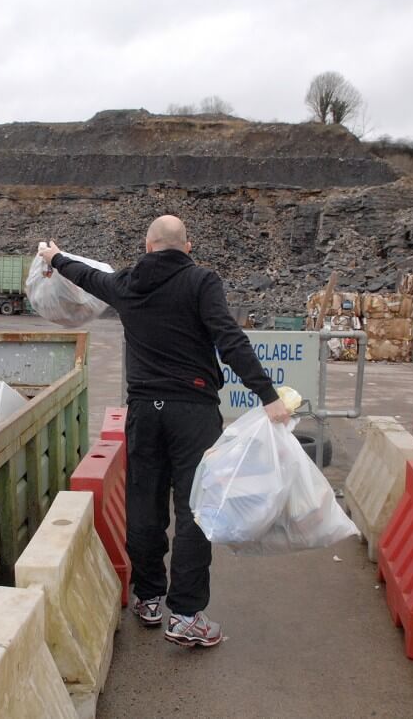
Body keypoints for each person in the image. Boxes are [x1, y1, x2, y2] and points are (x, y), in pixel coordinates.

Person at [37, 215, 291, 648]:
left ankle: (149, 598)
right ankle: (187, 614)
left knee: (144, 503)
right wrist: (267, 397)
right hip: (193, 412)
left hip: (144, 411)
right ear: (187, 246)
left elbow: (86, 276)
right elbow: (229, 339)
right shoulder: (200, 281)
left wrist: (54, 256)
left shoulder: (127, 283)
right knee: (196, 509)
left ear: (148, 244)